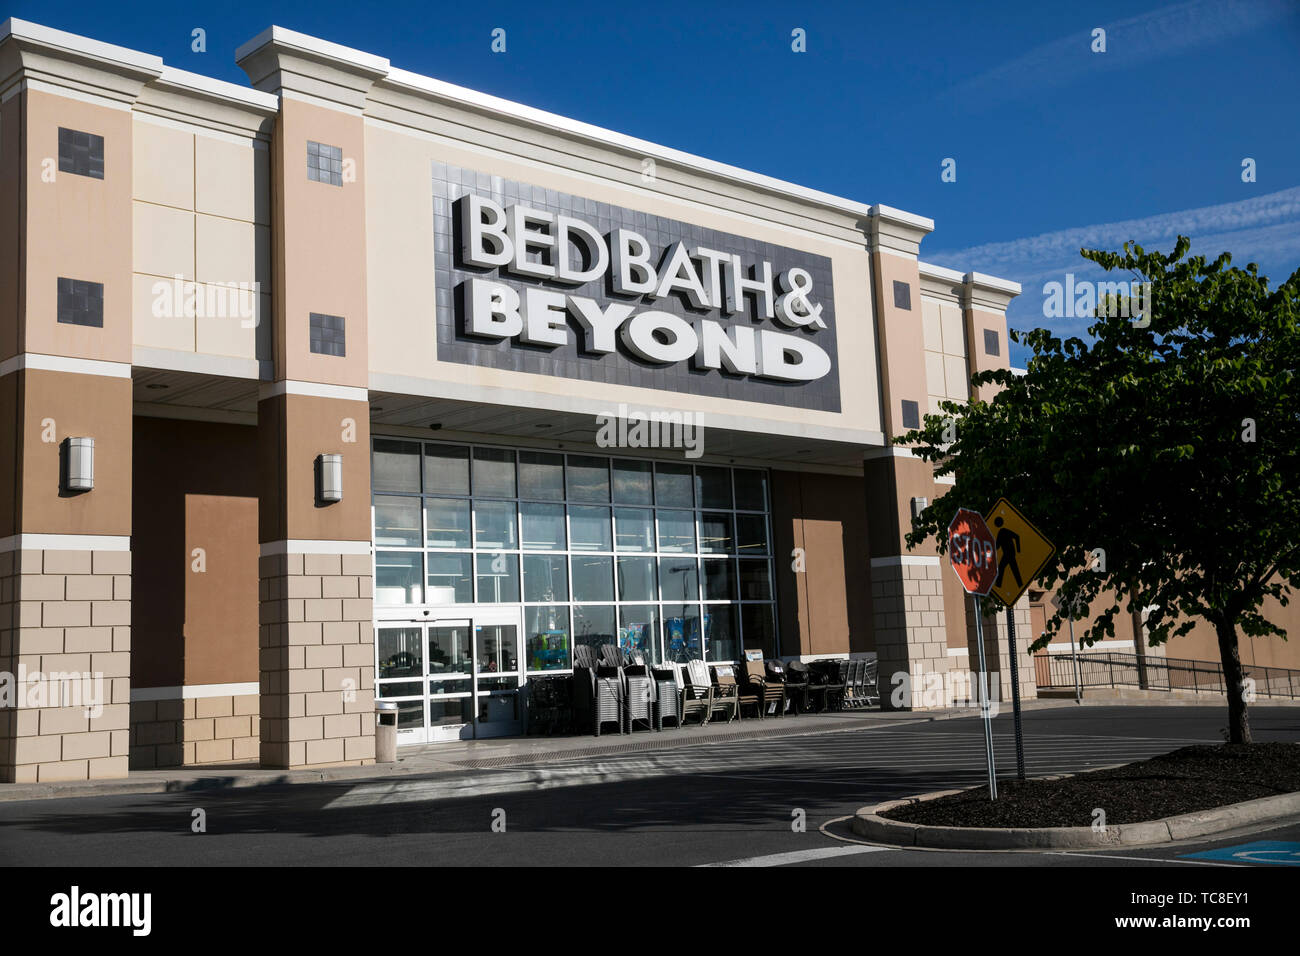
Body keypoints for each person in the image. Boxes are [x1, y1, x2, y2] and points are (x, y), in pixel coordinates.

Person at [993, 515, 1022, 590]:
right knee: (1013, 569)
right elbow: (997, 546)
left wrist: (1018, 550)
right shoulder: (1001, 532)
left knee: (1002, 568)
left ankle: (998, 585)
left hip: (1009, 554)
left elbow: (1017, 536)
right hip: (1008, 554)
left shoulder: (1003, 531)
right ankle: (1020, 584)